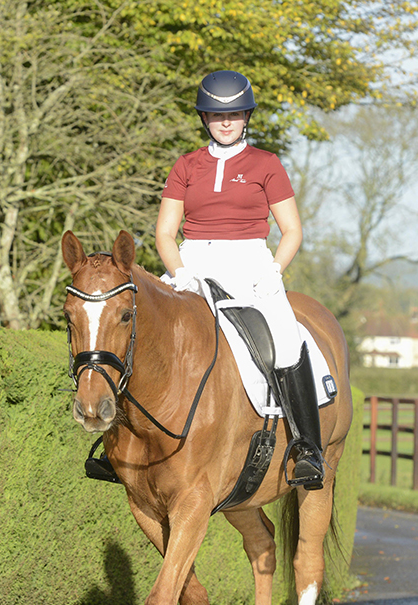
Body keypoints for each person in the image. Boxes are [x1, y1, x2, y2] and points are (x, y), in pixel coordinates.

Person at [155, 69, 325, 490]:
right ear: (204, 118)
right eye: (216, 116)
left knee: (287, 338)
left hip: (250, 261)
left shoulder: (266, 164)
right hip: (193, 261)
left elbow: (292, 230)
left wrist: (273, 271)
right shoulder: (186, 165)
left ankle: (308, 448)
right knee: (149, 324)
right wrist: (179, 274)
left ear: (246, 116)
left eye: (233, 115)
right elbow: (164, 233)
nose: (225, 123)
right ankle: (121, 443)